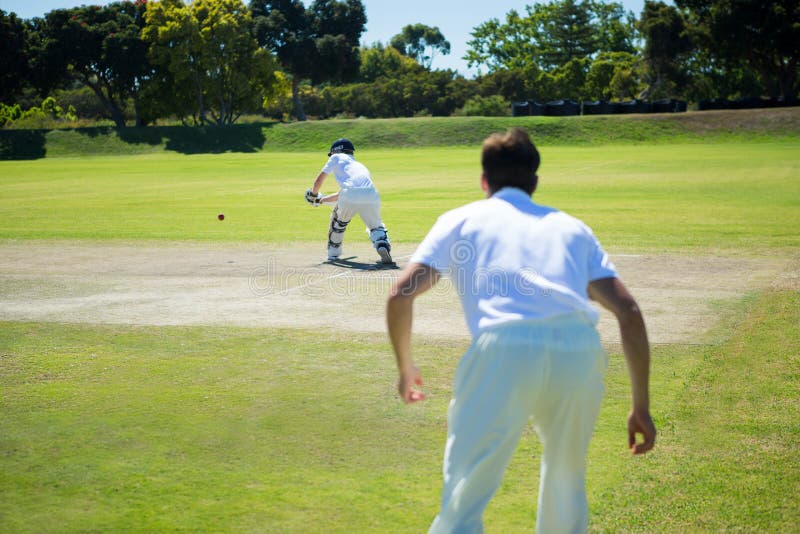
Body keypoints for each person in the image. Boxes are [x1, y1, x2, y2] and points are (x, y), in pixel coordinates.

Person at [386, 128, 655, 533]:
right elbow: (629, 312)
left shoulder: (460, 219)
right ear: (534, 182)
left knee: (464, 492)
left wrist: (406, 368)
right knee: (567, 482)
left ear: (483, 181)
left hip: (503, 348)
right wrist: (640, 407)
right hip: (577, 348)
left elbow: (400, 293)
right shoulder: (571, 228)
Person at [306, 138, 393, 264]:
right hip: (371, 194)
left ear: (336, 150)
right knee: (376, 226)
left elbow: (319, 181)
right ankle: (381, 244)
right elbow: (342, 194)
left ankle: (333, 254)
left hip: (349, 195)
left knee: (338, 223)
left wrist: (313, 194)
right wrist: (320, 200)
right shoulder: (359, 166)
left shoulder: (335, 158)